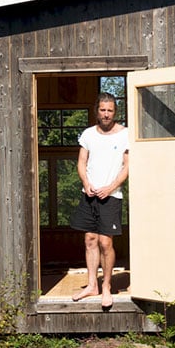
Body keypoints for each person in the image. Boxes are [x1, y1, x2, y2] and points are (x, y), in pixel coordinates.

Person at [70, 93, 129, 309]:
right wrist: (86, 182)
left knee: (106, 242)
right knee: (90, 240)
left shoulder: (125, 134)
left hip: (111, 196)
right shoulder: (88, 135)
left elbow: (127, 167)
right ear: (97, 111)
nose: (106, 114)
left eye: (110, 110)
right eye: (103, 110)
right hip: (90, 195)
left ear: (115, 112)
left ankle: (106, 286)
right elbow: (81, 162)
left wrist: (111, 187)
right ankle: (91, 285)